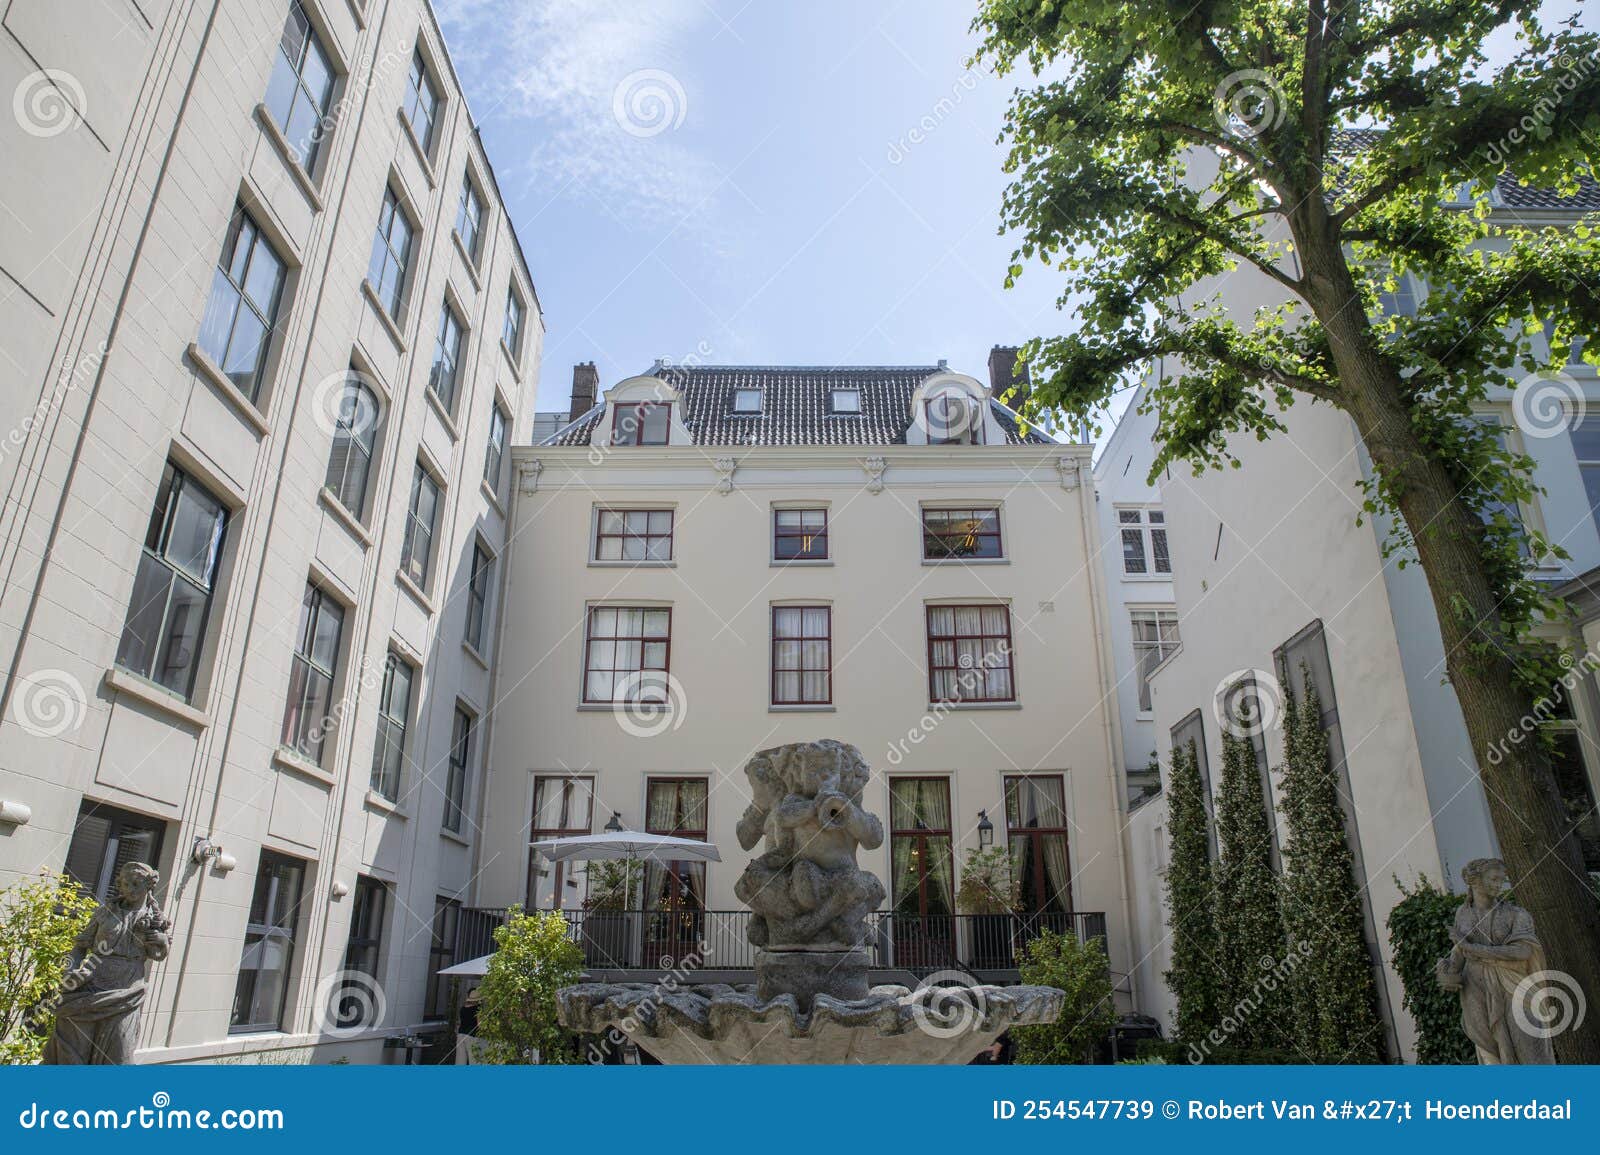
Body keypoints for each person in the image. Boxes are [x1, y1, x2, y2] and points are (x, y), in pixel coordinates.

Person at [43, 862, 171, 1064]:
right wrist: (71, 970)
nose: (130, 889)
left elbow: (158, 955)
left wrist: (162, 942)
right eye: (126, 884)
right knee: (74, 1051)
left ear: (149, 885)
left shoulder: (155, 919)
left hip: (126, 991)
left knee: (119, 1053)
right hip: (90, 986)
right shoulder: (104, 912)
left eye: (136, 884)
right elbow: (80, 946)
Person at [1435, 857, 1555, 1064]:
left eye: (1502, 879)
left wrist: (1473, 948)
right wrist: (1447, 972)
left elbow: (1523, 951)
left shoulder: (1515, 914)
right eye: (1493, 879)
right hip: (1476, 990)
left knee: (1532, 1049)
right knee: (1491, 1056)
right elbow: (1459, 953)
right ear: (1475, 881)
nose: (1499, 884)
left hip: (1514, 987)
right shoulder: (1462, 914)